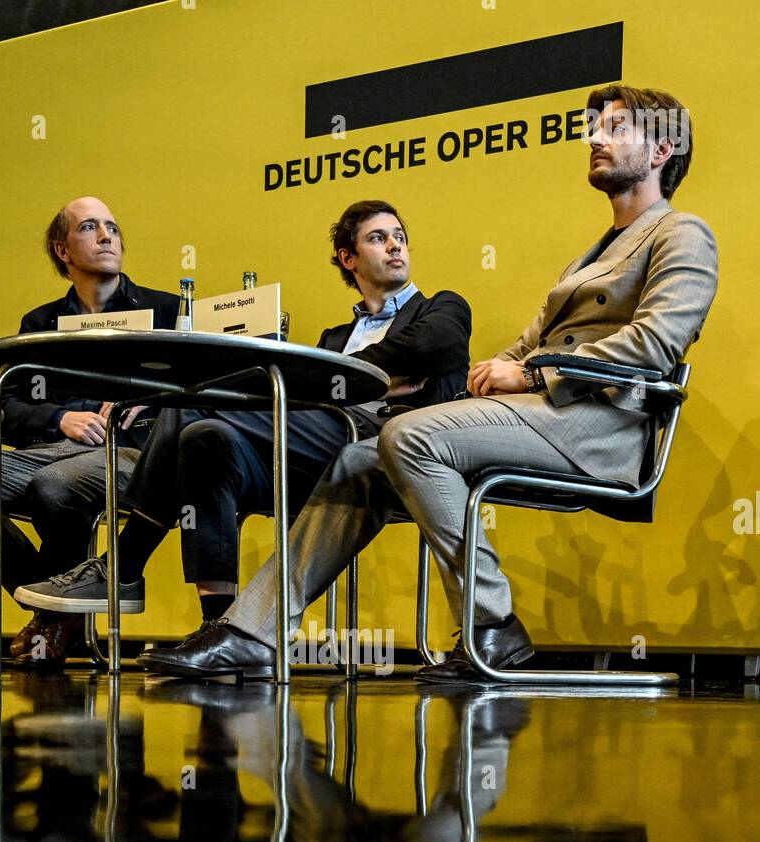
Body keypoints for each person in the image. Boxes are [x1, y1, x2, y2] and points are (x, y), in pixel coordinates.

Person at [142, 84, 719, 682]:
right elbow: (531, 339)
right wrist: (499, 369)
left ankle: (491, 625)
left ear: (661, 150)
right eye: (594, 127)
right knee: (359, 460)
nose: (596, 137)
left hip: (599, 428)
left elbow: (655, 344)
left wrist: (528, 372)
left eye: (617, 128)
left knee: (408, 438)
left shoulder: (683, 234)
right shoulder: (587, 258)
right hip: (544, 414)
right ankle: (253, 632)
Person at [12, 200, 471, 642]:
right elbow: (304, 398)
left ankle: (124, 566)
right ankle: (221, 629)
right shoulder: (334, 338)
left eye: (399, 237)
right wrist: (361, 380)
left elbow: (430, 348)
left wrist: (336, 381)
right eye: (378, 238)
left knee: (191, 404)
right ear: (348, 258)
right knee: (204, 437)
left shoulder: (442, 308)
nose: (394, 246)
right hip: (311, 453)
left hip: (380, 449)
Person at [0, 197, 179, 667]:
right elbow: (9, 406)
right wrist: (60, 418)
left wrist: (161, 398)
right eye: (90, 227)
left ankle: (54, 618)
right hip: (53, 447)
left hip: (135, 453)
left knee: (55, 486)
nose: (107, 236)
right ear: (63, 250)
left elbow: (206, 391)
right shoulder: (40, 324)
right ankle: (53, 608)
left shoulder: (168, 311)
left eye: (113, 227)